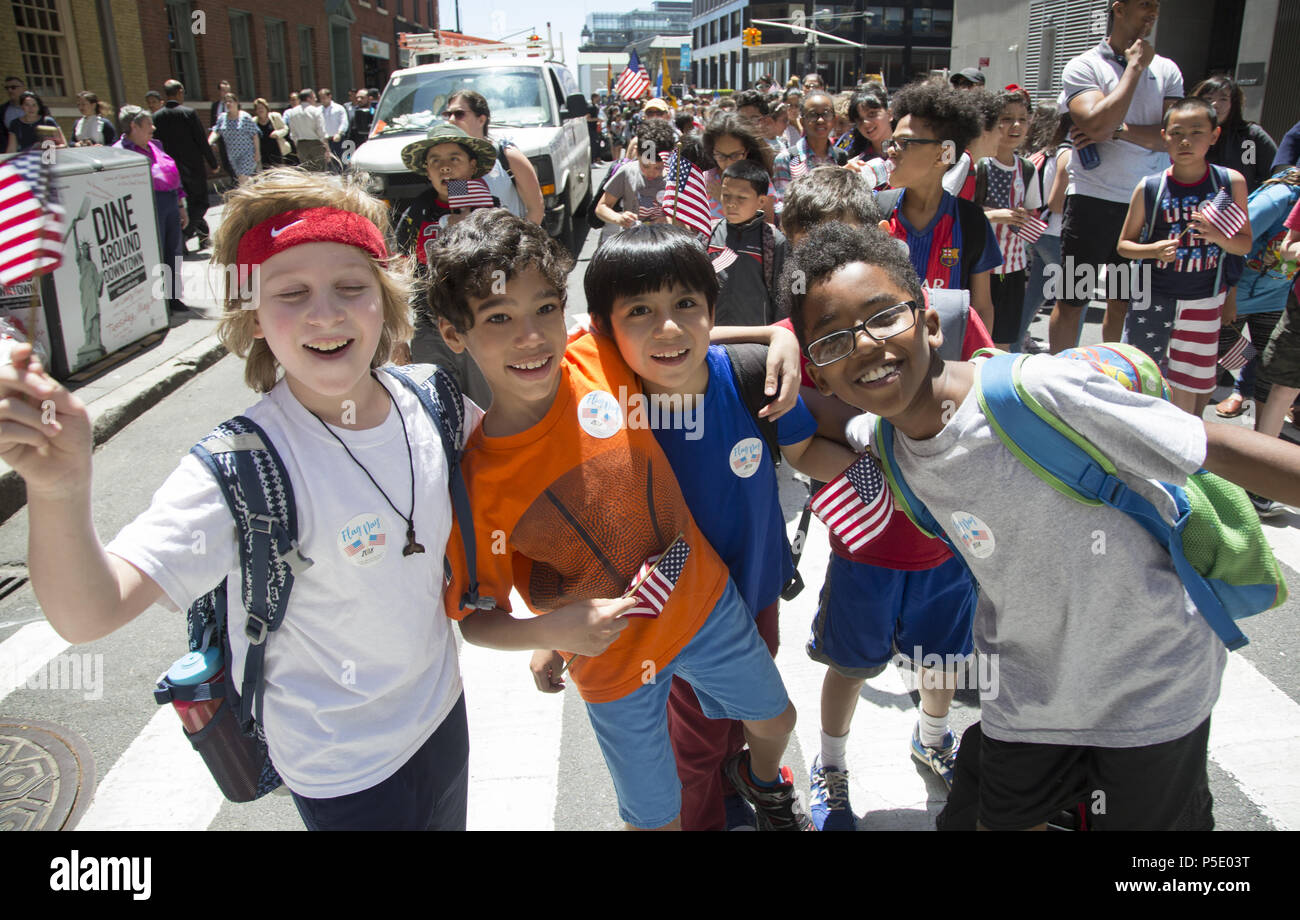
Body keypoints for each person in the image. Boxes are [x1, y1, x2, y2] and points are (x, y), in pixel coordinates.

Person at [2, 167, 479, 831]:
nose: (325, 312)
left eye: (350, 285)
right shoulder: (237, 469)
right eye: (292, 293)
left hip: (442, 716)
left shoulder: (432, 402)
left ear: (386, 300)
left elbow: (538, 438)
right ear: (254, 317)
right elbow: (91, 611)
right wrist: (60, 488)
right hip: (342, 770)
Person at [783, 220, 1300, 831]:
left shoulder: (1037, 391)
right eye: (834, 342)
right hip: (1027, 700)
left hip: (1151, 690)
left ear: (927, 323)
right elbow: (831, 420)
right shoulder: (891, 442)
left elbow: (1208, 445)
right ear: (819, 371)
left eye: (881, 318)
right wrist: (777, 342)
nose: (865, 346)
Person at [429, 210, 806, 832]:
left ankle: (760, 783)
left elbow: (669, 329)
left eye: (544, 309)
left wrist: (773, 335)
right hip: (611, 658)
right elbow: (476, 623)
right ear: (453, 334)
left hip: (702, 602)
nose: (531, 337)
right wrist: (551, 631)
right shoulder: (477, 485)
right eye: (499, 318)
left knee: (776, 719)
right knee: (654, 815)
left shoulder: (593, 357)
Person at [536, 224, 852, 831]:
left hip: (754, 593)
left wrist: (886, 475)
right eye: (640, 311)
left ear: (711, 309)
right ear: (604, 327)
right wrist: (555, 633)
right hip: (674, 614)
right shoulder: (603, 406)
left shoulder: (749, 375)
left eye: (686, 304)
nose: (669, 328)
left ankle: (744, 785)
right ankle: (709, 810)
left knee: (745, 714)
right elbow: (575, 528)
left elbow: (804, 450)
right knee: (696, 748)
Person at [770, 174, 991, 829]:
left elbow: (981, 393)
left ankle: (933, 736)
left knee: (942, 658)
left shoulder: (942, 313)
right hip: (865, 545)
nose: (827, 264)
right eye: (810, 250)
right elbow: (800, 446)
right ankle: (831, 766)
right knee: (849, 662)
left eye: (845, 240)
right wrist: (885, 464)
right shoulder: (797, 339)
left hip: (948, 537)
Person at [1051, 0, 1184, 352]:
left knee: (1122, 301)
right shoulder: (1084, 65)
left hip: (1142, 206)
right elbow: (1095, 123)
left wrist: (1119, 132)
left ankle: (1112, 376)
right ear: (1119, 8)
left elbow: (1171, 138)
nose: (1153, 12)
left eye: (1156, 5)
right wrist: (1135, 69)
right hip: (1091, 202)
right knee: (1072, 301)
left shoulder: (1169, 70)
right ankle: (1059, 378)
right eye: (1144, 4)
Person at [1115, 97, 1252, 416]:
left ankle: (1183, 454)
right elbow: (1124, 245)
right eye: (1176, 133)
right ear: (1164, 136)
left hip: (1203, 300)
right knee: (1143, 380)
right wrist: (1152, 250)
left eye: (1196, 132)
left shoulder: (1230, 183)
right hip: (1152, 297)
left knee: (1190, 385)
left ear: (1214, 135)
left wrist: (1218, 237)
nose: (1186, 141)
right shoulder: (1150, 186)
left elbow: (1244, 244)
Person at [878, 81, 1001, 334]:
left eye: (905, 143)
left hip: (946, 360)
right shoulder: (875, 211)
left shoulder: (971, 222)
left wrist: (980, 360)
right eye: (891, 142)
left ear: (945, 153)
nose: (891, 151)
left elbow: (982, 308)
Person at [392, 122, 498, 408]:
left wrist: (473, 234)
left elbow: (504, 272)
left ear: (472, 165)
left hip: (479, 325)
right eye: (435, 161)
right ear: (426, 170)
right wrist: (399, 335)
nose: (444, 167)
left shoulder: (490, 209)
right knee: (436, 405)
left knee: (485, 406)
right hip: (429, 324)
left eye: (454, 159)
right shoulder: (417, 212)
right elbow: (399, 271)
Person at [1214, 169, 1300, 518]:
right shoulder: (1280, 198)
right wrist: (1230, 296)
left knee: (1267, 375)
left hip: (1275, 297)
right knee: (1209, 365)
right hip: (1237, 294)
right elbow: (1232, 241)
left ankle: (1260, 472)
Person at [972, 90, 1042, 349]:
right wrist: (994, 215)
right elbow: (958, 211)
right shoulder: (978, 166)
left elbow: (1033, 210)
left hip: (1013, 268)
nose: (1015, 126)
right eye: (1007, 118)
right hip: (981, 268)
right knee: (977, 337)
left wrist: (1025, 217)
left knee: (1003, 338)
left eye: (1022, 119)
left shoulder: (1027, 168)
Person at [114, 106, 188, 315]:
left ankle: (173, 297)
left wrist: (181, 205)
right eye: (148, 124)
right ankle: (157, 301)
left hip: (170, 202)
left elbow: (173, 176)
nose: (153, 128)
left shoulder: (155, 145)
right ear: (133, 126)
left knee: (173, 250)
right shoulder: (120, 151)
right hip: (146, 205)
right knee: (154, 253)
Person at [440, 90, 545, 225]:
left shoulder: (507, 156)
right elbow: (459, 207)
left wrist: (518, 242)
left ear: (481, 120)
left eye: (459, 114)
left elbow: (536, 208)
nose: (451, 120)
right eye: (447, 115)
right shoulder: (451, 163)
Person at [706, 159, 787, 326]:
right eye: (726, 195)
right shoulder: (708, 234)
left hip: (756, 340)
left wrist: (777, 334)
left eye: (741, 197)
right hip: (714, 336)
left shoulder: (773, 240)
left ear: (761, 202)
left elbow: (783, 297)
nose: (731, 203)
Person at [1018, 107, 1072, 352]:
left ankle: (1013, 345)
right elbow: (1057, 202)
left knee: (1034, 295)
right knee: (1072, 299)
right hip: (1056, 233)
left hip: (1038, 232)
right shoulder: (1068, 154)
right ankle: (1068, 356)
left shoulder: (1045, 153)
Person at [153, 80, 218, 251]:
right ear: (180, 92)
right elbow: (201, 140)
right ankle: (186, 233)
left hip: (169, 169)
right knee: (201, 203)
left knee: (185, 204)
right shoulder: (188, 113)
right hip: (192, 168)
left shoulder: (157, 117)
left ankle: (202, 236)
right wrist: (213, 163)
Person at [593, 119, 675, 246]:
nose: (651, 173)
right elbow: (602, 207)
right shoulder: (627, 172)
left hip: (666, 244)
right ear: (637, 153)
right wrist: (619, 218)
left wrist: (668, 220)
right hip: (634, 244)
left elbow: (687, 219)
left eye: (658, 167)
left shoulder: (675, 177)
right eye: (646, 166)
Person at [1192, 75, 1277, 194]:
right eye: (1208, 98)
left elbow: (1274, 174)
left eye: (1223, 99)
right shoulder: (1189, 136)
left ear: (1233, 103)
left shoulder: (1250, 136)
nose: (1215, 104)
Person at [772, 92, 848, 216]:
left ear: (834, 120)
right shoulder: (787, 159)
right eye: (813, 115)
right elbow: (783, 206)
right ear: (802, 121)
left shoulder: (841, 158)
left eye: (826, 114)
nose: (820, 120)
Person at [702, 112, 776, 221]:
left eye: (735, 155)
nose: (728, 163)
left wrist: (723, 198)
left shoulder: (761, 180)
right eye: (721, 156)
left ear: (746, 151)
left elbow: (767, 224)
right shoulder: (707, 180)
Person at [208, 92, 261, 180]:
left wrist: (257, 152)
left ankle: (243, 193)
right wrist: (209, 142)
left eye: (230, 101)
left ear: (236, 103)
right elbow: (216, 131)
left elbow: (255, 135)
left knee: (242, 178)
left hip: (247, 153)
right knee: (243, 179)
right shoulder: (222, 118)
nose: (228, 103)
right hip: (233, 155)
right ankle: (253, 191)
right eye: (226, 102)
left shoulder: (245, 117)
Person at [285, 88, 329, 170]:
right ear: (309, 98)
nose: (316, 99)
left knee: (307, 172)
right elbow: (321, 132)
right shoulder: (315, 111)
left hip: (301, 145)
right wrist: (326, 148)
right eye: (314, 97)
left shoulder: (292, 112)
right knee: (320, 171)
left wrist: (297, 147)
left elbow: (293, 133)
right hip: (316, 144)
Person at [317, 88, 349, 171]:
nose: (322, 100)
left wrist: (340, 133)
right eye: (321, 98)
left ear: (329, 96)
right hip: (324, 140)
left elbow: (344, 122)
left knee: (340, 160)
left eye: (324, 97)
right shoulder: (318, 110)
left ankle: (343, 177)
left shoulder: (338, 108)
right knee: (327, 162)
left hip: (336, 139)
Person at [253, 97, 290, 169]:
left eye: (262, 107)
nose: (260, 110)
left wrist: (278, 133)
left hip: (276, 150)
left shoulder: (275, 117)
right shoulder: (254, 121)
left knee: (279, 172)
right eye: (258, 108)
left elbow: (285, 129)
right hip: (263, 152)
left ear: (266, 108)